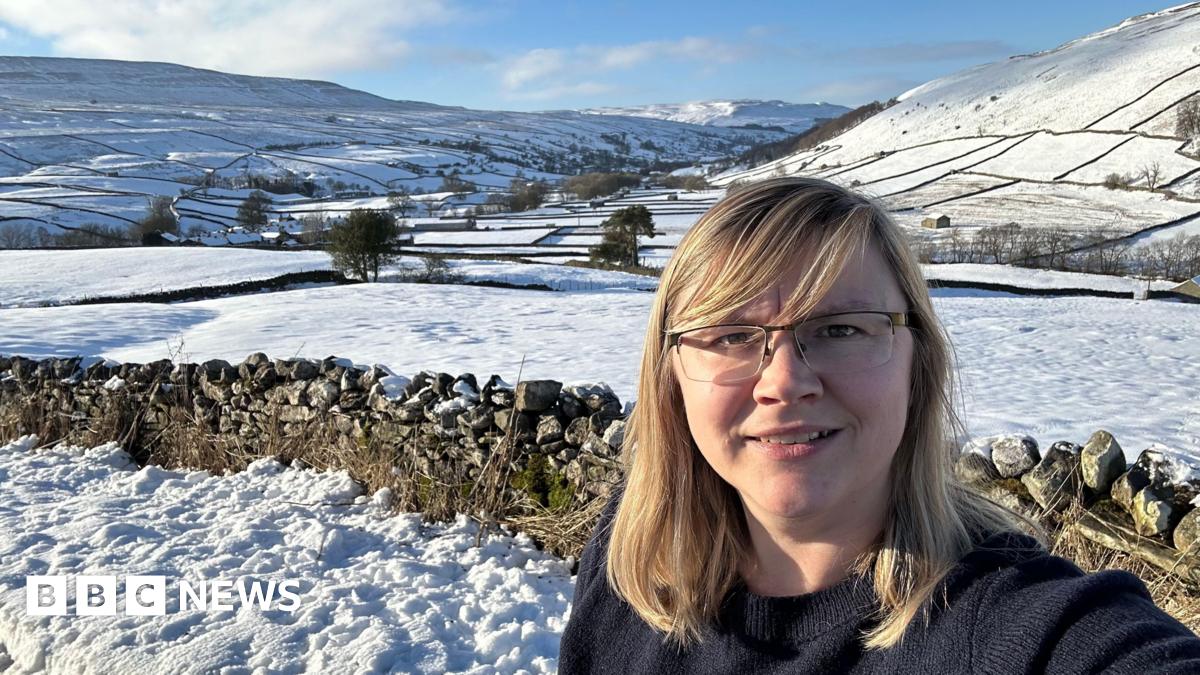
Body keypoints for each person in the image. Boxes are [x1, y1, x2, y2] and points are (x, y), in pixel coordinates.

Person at [558, 177, 1200, 673]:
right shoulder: (631, 558)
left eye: (840, 329)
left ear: (917, 364)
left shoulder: (1014, 626)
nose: (783, 382)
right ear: (671, 374)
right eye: (730, 336)